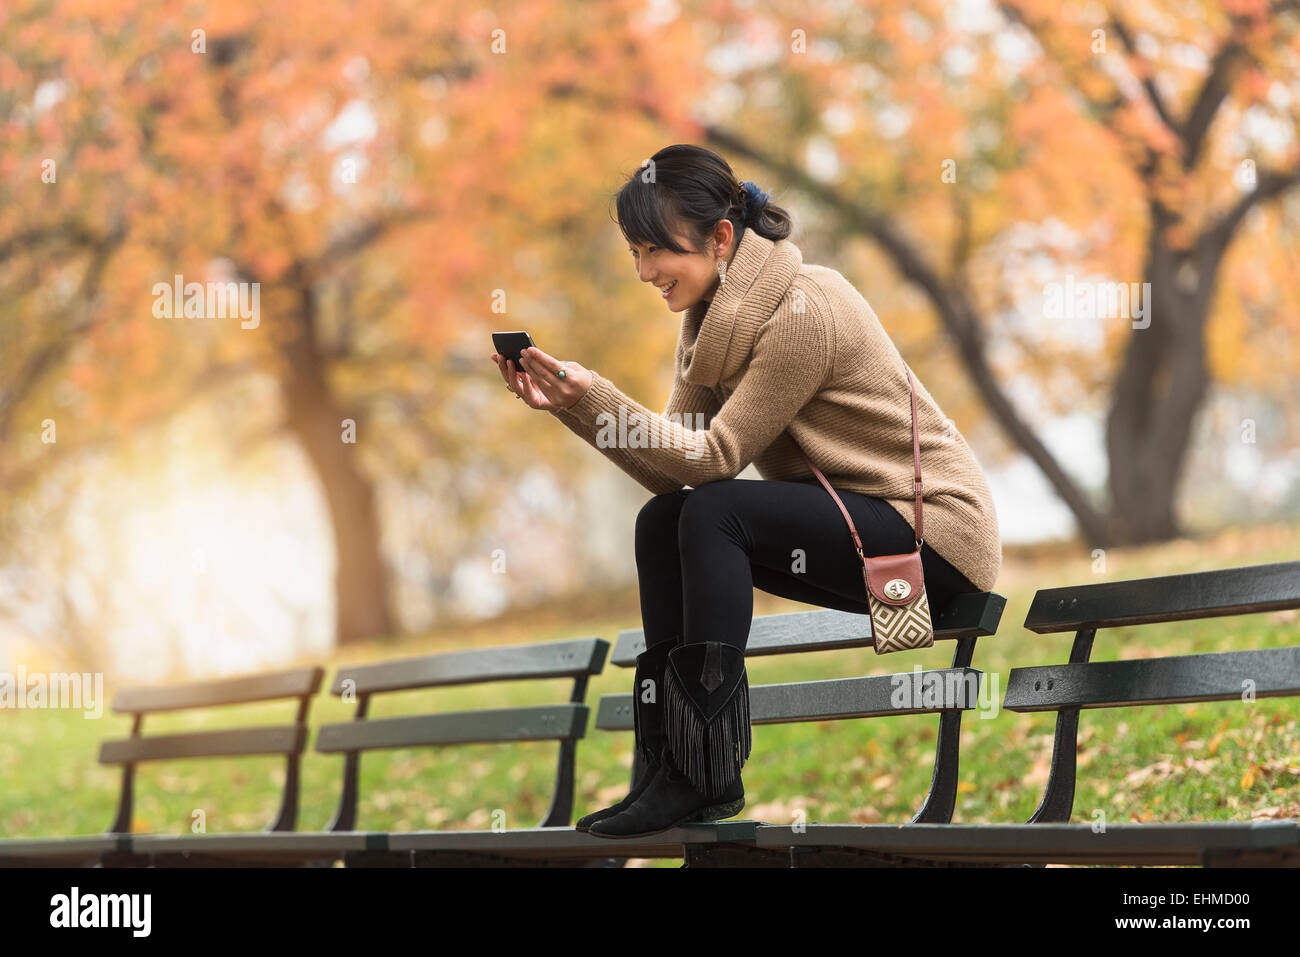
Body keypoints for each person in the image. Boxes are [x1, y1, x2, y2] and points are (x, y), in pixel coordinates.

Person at [489, 143, 1001, 840]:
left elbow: (716, 461)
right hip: (859, 529)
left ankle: (707, 766)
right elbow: (676, 470)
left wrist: (599, 395)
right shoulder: (709, 329)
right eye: (634, 253)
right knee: (663, 519)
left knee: (713, 510)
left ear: (721, 236)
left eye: (654, 251)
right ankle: (673, 764)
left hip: (931, 538)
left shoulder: (805, 308)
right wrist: (574, 407)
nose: (644, 272)